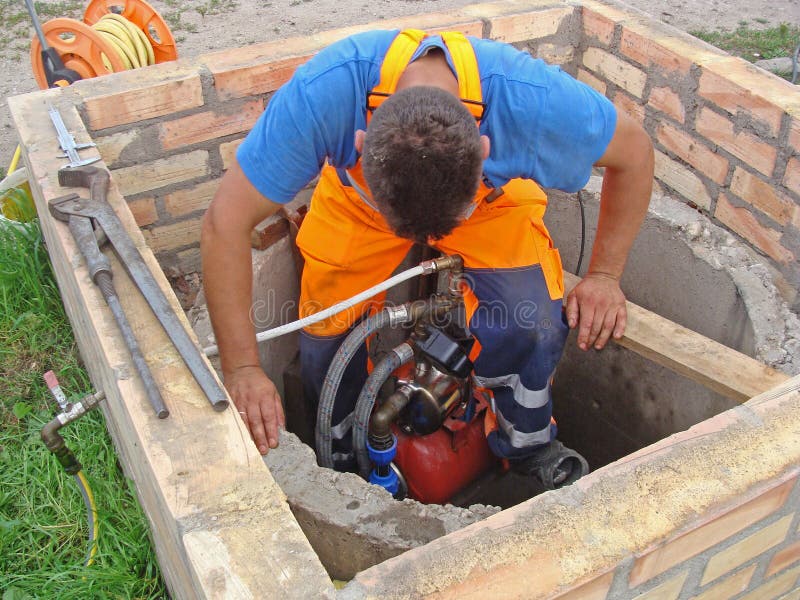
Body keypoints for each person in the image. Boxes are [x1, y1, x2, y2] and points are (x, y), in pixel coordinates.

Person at [201, 29, 653, 482]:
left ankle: (525, 444)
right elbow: (224, 225)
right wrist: (242, 367)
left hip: (486, 208)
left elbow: (635, 153)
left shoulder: (533, 103)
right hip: (362, 207)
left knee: (531, 323)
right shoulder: (322, 97)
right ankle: (341, 456)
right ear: (360, 144)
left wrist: (605, 275)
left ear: (485, 148)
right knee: (326, 331)